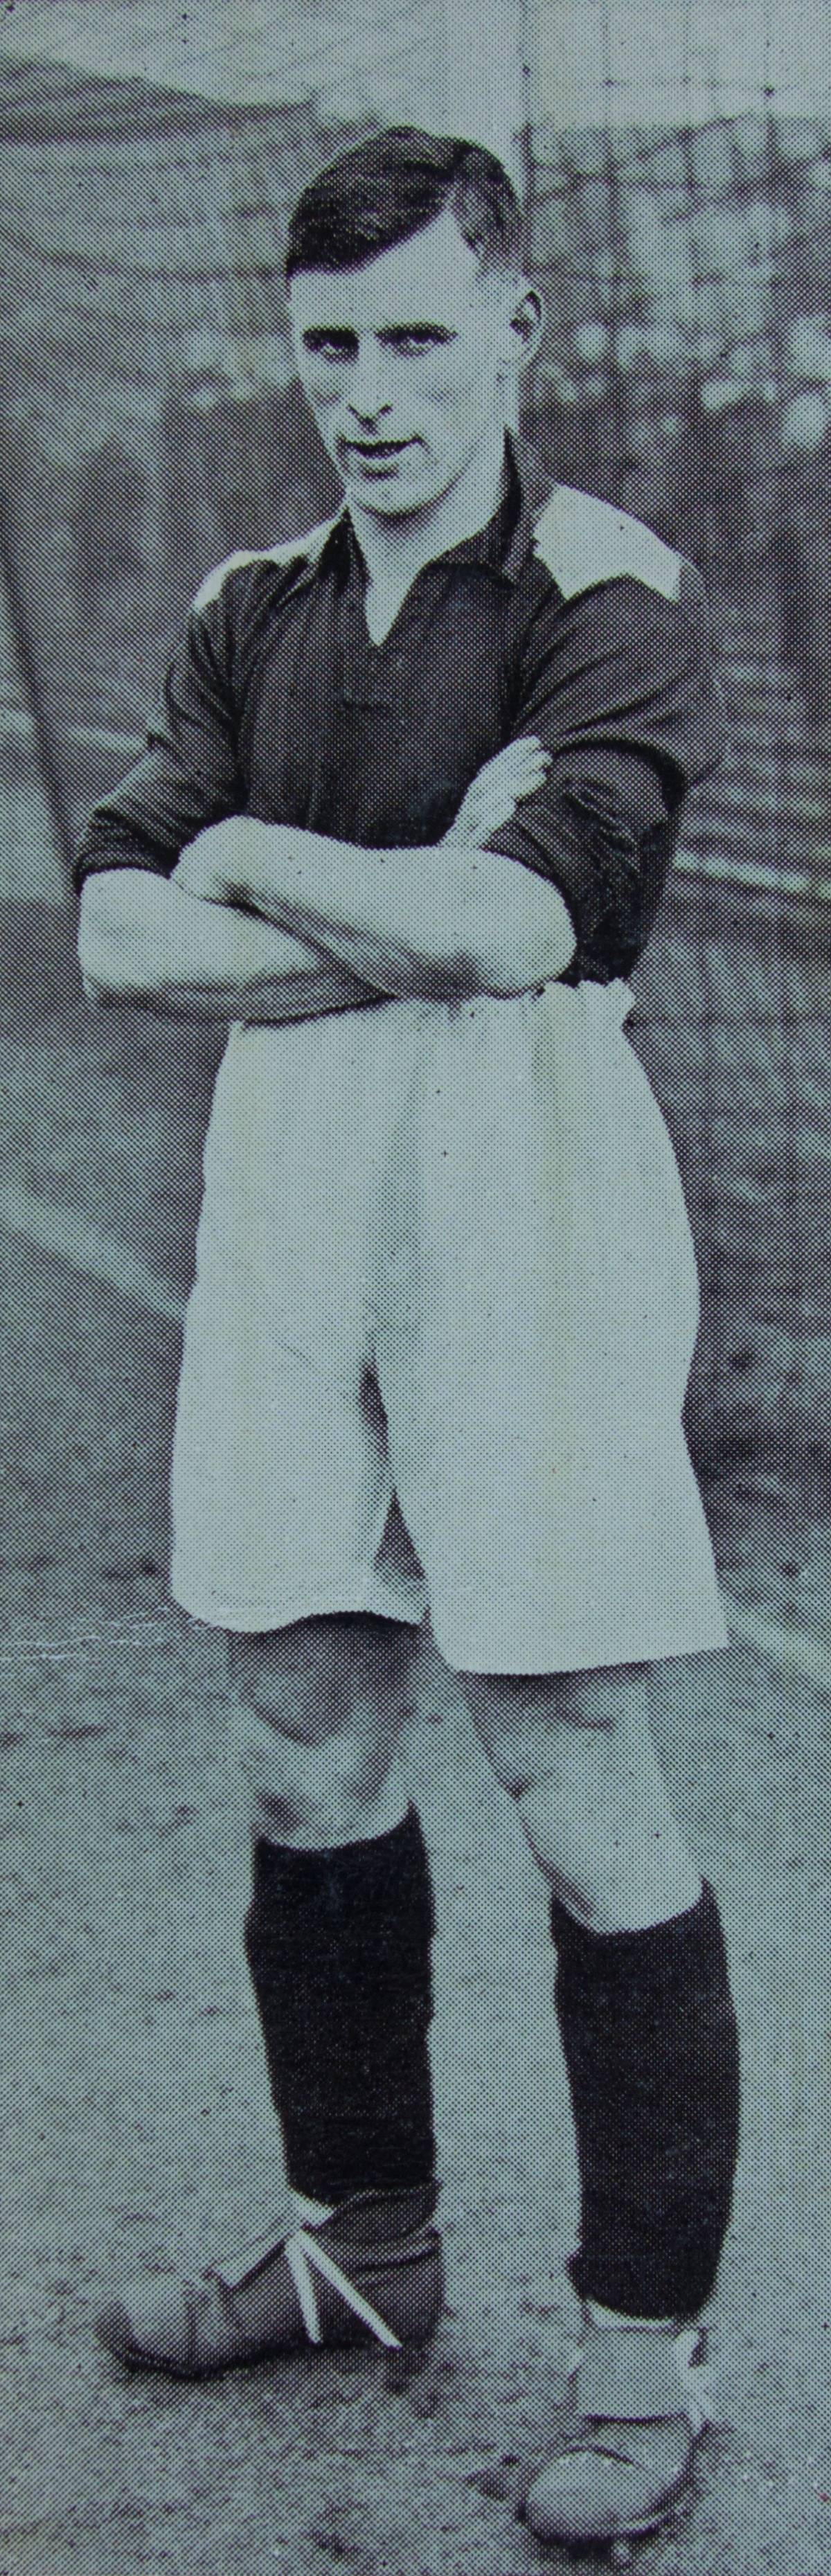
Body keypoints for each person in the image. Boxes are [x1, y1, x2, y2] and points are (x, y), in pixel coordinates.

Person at [75, 129, 740, 2549]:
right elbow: (119, 942)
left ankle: (645, 2370)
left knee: (571, 1758)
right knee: (299, 1731)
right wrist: (336, 882)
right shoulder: (254, 604)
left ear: (519, 333)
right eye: (330, 343)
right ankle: (362, 2257)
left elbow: (516, 940)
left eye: (419, 341)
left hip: (525, 1191)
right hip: (290, 1191)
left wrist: (254, 861)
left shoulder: (609, 587)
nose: (368, 396)